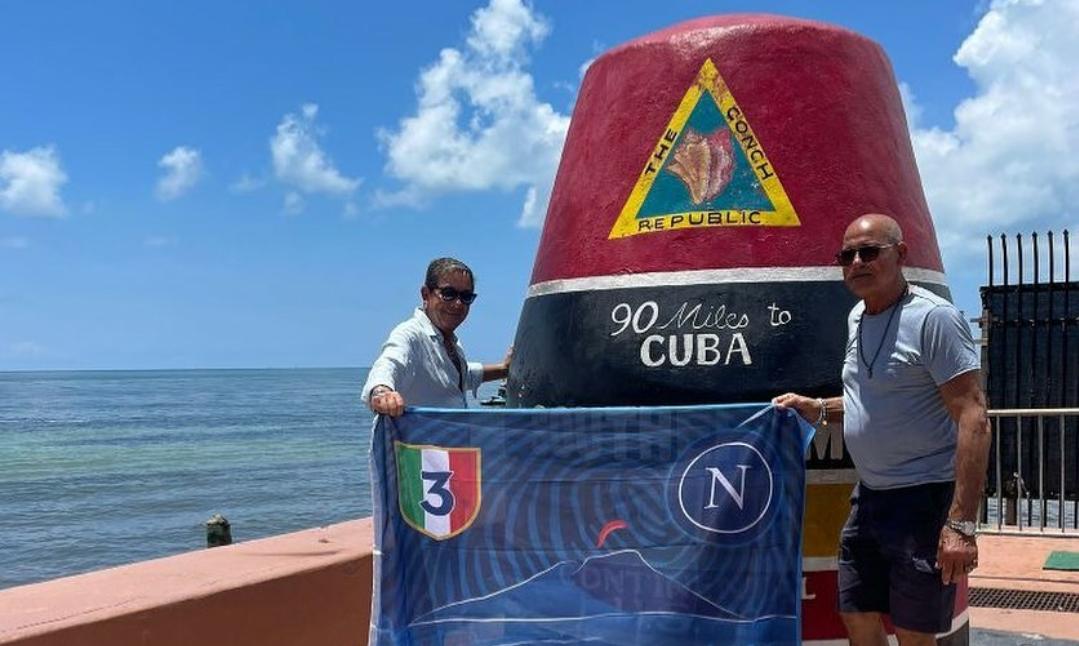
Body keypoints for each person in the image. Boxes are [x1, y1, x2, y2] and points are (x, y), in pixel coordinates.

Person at [773, 213, 991, 646]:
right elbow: (866, 401)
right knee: (857, 614)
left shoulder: (934, 319)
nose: (857, 262)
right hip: (870, 497)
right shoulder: (857, 318)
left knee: (914, 631)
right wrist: (814, 407)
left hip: (924, 498)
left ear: (901, 255)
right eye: (847, 255)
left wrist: (962, 524)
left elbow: (974, 416)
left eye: (870, 252)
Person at [362, 257, 511, 417]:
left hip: (454, 440)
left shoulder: (452, 343)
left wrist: (504, 369)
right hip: (418, 442)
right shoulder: (411, 334)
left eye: (466, 297)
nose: (458, 303)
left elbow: (460, 377)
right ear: (426, 295)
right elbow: (389, 363)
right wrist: (382, 393)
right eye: (449, 294)